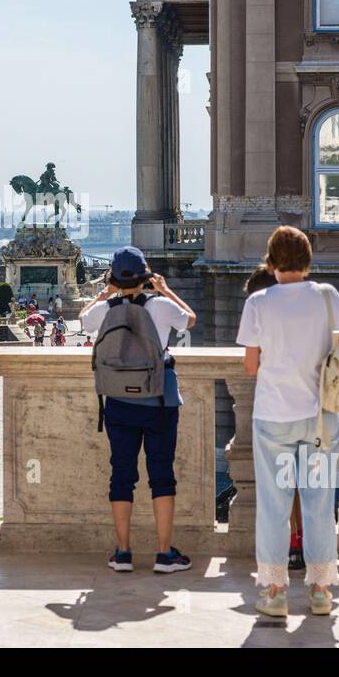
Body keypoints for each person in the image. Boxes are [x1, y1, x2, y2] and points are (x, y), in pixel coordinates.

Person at [237, 226, 339, 617]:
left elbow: (251, 366)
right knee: (319, 504)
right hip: (319, 417)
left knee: (274, 506)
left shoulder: (259, 302)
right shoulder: (327, 295)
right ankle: (320, 590)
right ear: (307, 259)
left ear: (270, 261)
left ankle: (275, 592)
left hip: (274, 416)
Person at [80, 246, 197, 574]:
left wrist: (105, 293)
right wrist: (165, 289)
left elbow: (82, 320)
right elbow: (190, 319)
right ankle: (163, 554)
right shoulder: (160, 305)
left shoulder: (104, 309)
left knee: (122, 475)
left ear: (113, 278)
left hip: (118, 400)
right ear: (146, 275)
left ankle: (123, 552)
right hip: (159, 399)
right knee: (162, 475)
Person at [244, 264, 304, 572]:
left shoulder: (261, 315)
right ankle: (306, 545)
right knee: (308, 482)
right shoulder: (308, 309)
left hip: (277, 410)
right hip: (312, 407)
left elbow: (251, 366)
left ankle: (290, 544)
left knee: (281, 482)